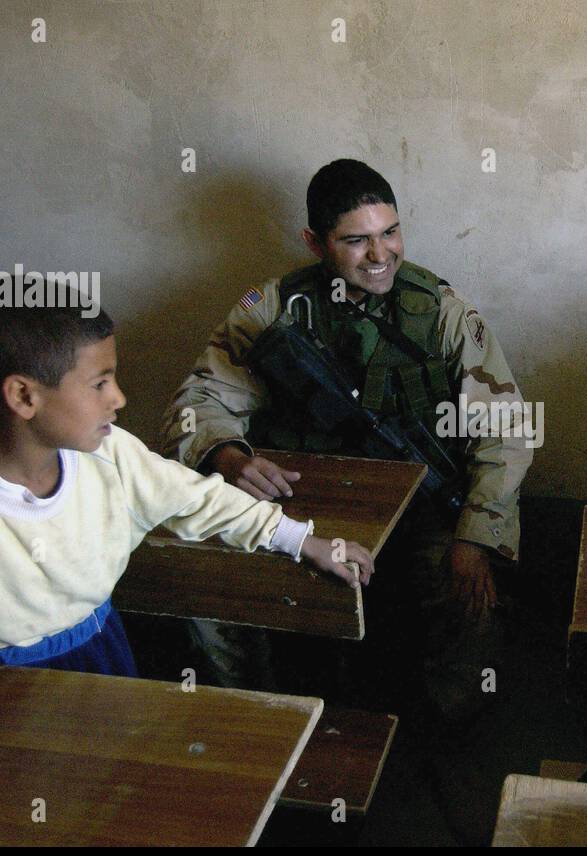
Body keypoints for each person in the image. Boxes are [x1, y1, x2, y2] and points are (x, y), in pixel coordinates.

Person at [0, 276, 372, 710]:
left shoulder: (110, 454)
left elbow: (194, 498)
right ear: (24, 396)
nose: (118, 399)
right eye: (100, 383)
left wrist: (299, 539)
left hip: (103, 646)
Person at [160, 159, 532, 725]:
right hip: (310, 501)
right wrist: (226, 455)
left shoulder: (441, 312)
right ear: (315, 242)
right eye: (355, 241)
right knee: (212, 582)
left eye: (390, 233)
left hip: (425, 506)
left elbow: (505, 433)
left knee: (467, 598)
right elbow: (196, 405)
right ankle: (256, 719)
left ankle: (446, 732)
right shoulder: (274, 311)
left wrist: (477, 537)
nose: (380, 255)